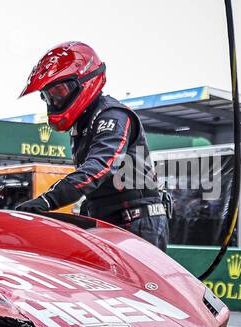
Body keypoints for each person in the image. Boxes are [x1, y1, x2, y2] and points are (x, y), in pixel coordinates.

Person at [15, 42, 168, 250]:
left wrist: (48, 200)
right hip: (112, 222)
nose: (54, 100)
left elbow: (99, 168)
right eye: (48, 96)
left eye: (59, 91)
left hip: (137, 223)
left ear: (85, 80)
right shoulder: (83, 125)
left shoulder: (113, 115)